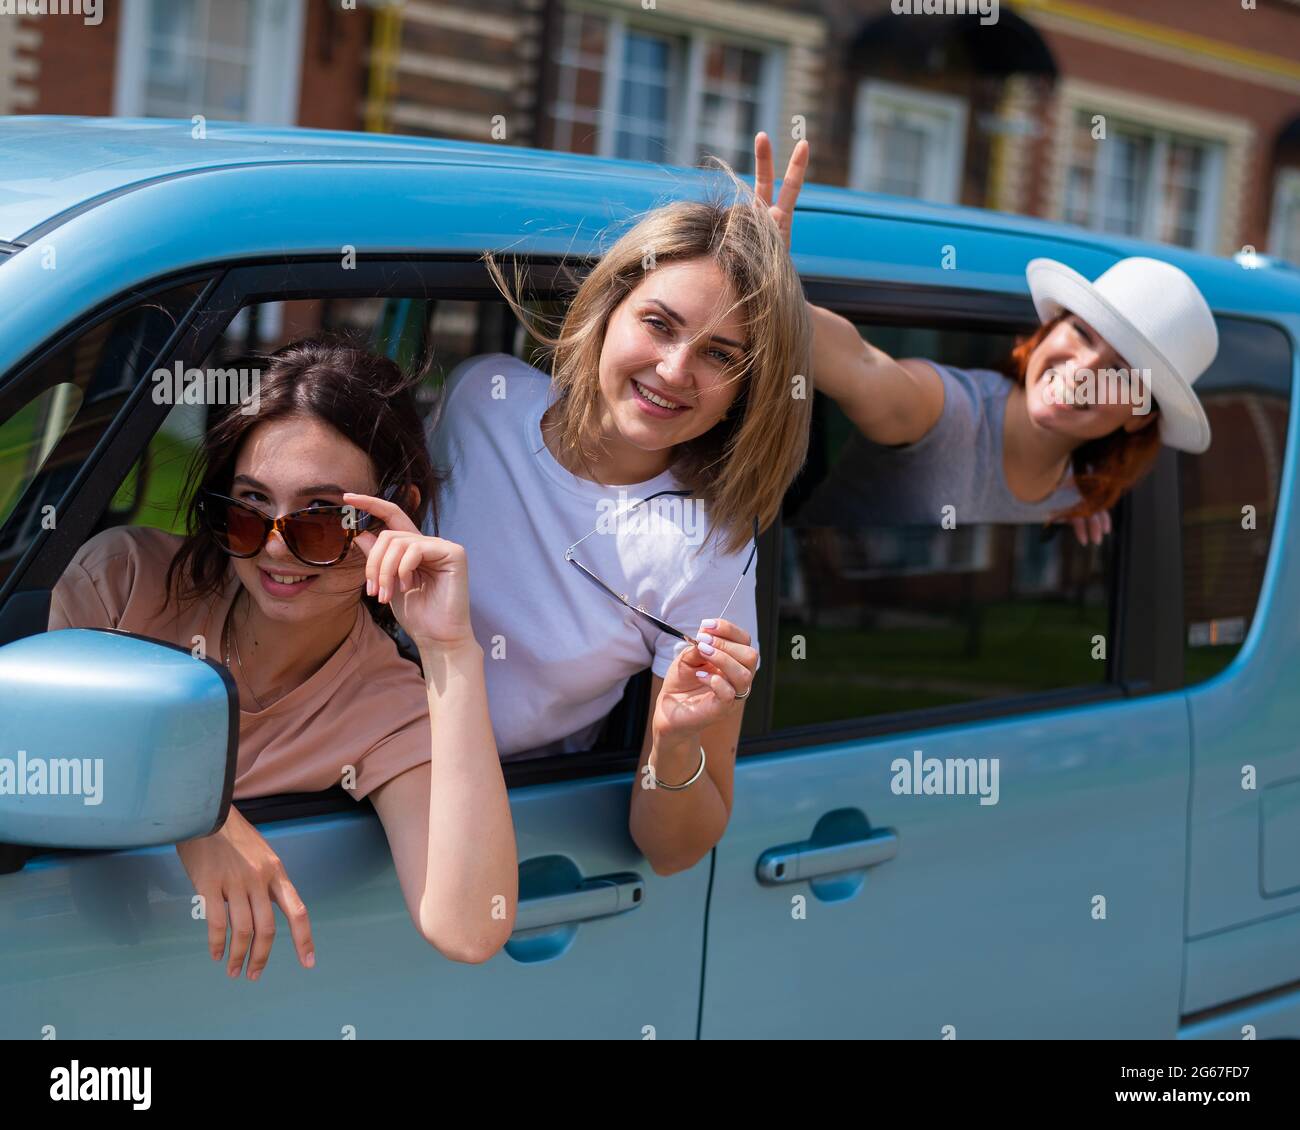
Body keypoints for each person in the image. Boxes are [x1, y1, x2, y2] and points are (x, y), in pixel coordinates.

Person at [48, 337, 517, 977]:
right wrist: (197, 816)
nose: (275, 549)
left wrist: (449, 649)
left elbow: (469, 928)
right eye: (250, 508)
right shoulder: (124, 583)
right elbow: (35, 749)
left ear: (396, 516)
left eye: (320, 518)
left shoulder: (384, 705)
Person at [422, 142, 812, 875]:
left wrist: (674, 740)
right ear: (605, 309)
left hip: (479, 831)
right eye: (660, 324)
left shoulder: (707, 551)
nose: (674, 370)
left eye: (721, 356)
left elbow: (674, 847)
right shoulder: (483, 396)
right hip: (337, 759)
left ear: (744, 392)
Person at [796, 256, 1220, 544]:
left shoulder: (1075, 496)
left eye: (1120, 372)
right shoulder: (950, 408)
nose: (1084, 369)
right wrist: (773, 293)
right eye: (1082, 333)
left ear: (1140, 418)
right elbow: (862, 365)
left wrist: (1088, 503)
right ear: (1047, 332)